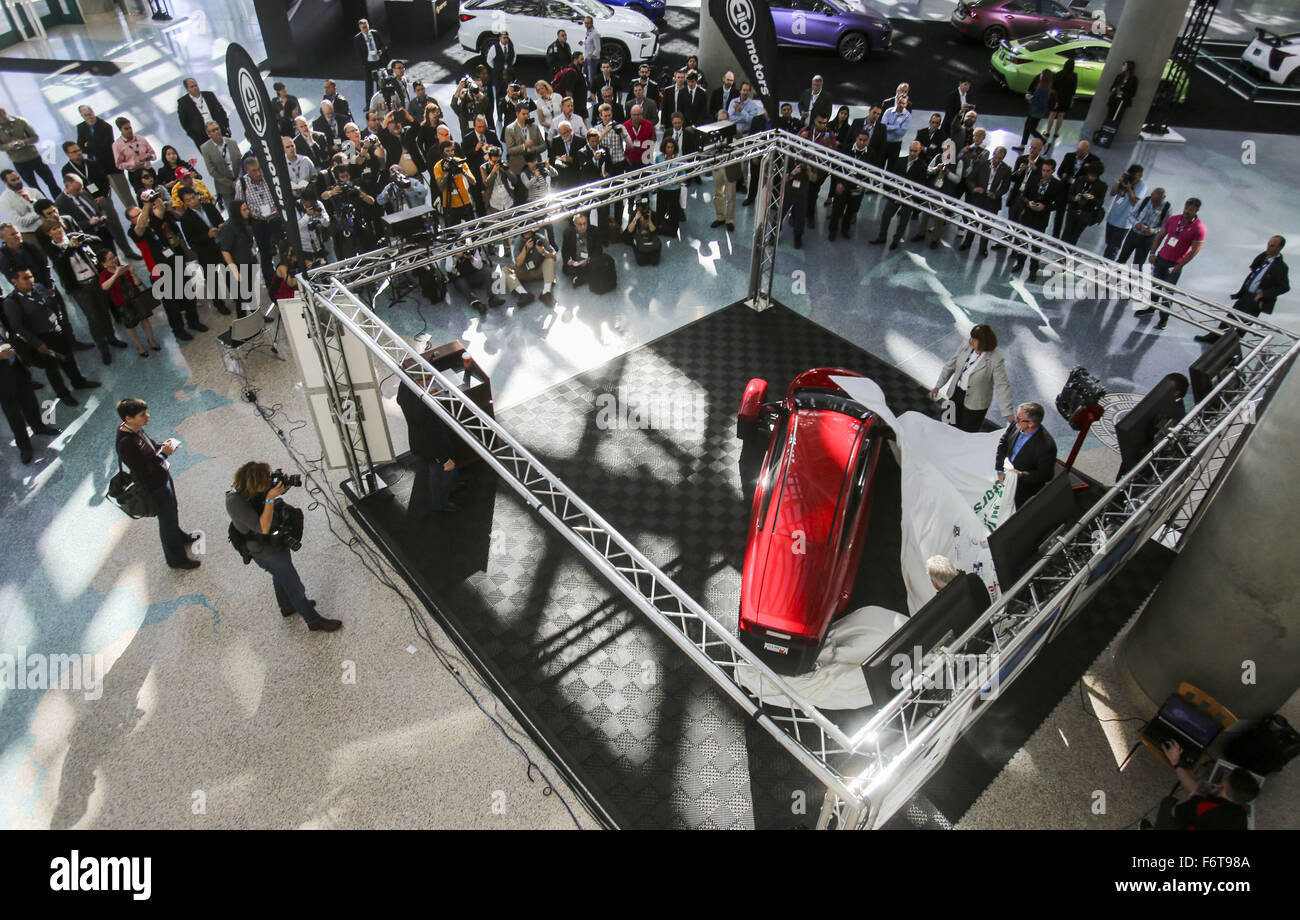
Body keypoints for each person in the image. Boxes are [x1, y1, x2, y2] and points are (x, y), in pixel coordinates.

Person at [228, 460, 341, 630]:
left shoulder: (247, 489)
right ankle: (313, 620)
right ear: (254, 484)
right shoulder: (234, 502)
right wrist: (271, 498)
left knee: (280, 575)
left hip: (275, 542)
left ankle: (286, 606)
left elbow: (262, 500)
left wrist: (278, 490)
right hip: (265, 550)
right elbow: (263, 528)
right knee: (294, 585)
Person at [115, 397, 200, 570]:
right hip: (154, 486)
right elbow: (141, 469)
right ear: (128, 418)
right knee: (167, 521)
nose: (147, 416)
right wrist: (163, 455)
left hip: (162, 477)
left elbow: (149, 445)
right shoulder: (126, 443)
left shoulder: (135, 429)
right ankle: (176, 559)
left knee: (172, 512)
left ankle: (180, 537)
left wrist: (162, 446)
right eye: (142, 415)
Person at [3, 267, 101, 404]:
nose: (30, 280)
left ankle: (78, 381)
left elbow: (54, 305)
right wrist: (37, 343)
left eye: (31, 276)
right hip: (42, 338)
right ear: (14, 281)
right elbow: (18, 328)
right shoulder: (12, 302)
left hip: (56, 331)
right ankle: (63, 393)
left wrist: (60, 322)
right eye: (25, 278)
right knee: (52, 369)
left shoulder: (38, 287)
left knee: (68, 358)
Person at [40, 220, 125, 365]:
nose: (58, 231)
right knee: (93, 317)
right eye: (53, 229)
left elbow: (96, 239)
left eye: (58, 227)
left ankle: (112, 337)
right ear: (49, 233)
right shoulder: (50, 249)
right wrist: (69, 248)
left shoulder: (73, 236)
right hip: (79, 287)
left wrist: (83, 238)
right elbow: (61, 263)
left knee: (104, 310)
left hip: (94, 278)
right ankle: (103, 348)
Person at [132, 194, 206, 335]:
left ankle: (194, 322)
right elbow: (140, 226)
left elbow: (160, 209)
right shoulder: (135, 231)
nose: (141, 216)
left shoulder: (153, 221)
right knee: (171, 304)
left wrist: (156, 196)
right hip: (160, 271)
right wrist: (146, 206)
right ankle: (178, 330)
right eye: (136, 215)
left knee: (188, 295)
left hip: (174, 261)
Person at [1197, 236, 1289, 344]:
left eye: (1272, 246)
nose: (1268, 247)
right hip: (1246, 294)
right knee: (1231, 316)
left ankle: (1229, 345)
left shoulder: (1281, 267)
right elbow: (1254, 266)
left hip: (1256, 299)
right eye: (1268, 244)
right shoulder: (1264, 257)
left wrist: (1264, 293)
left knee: (1243, 324)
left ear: (1280, 248)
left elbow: (1284, 287)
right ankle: (1215, 336)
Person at [1147, 740, 1258, 830]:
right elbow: (1199, 793)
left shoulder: (1201, 806)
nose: (1218, 783)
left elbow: (1175, 811)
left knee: (1168, 803)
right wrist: (1176, 764)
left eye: (1224, 780)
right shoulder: (1241, 814)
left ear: (1224, 786)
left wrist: (1194, 795)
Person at [931, 324, 1015, 433]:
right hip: (957, 394)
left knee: (967, 433)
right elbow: (951, 365)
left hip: (976, 403)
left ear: (983, 342)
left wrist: (1007, 412)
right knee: (948, 425)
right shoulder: (967, 345)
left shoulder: (995, 359)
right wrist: (938, 386)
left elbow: (1002, 386)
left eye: (974, 340)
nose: (971, 341)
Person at [1137, 197, 1206, 329]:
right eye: (1186, 208)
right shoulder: (1174, 219)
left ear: (1196, 210)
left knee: (1168, 293)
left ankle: (1164, 319)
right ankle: (1151, 308)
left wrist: (1180, 266)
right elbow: (1160, 236)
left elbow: (1194, 250)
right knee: (1155, 285)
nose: (1187, 211)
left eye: (1191, 210)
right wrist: (1152, 253)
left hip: (1175, 264)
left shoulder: (1199, 228)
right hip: (1162, 258)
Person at [396, 381, 463, 515]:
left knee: (444, 469)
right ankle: (440, 504)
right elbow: (431, 434)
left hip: (423, 442)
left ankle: (453, 485)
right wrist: (443, 458)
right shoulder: (423, 412)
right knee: (440, 473)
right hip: (434, 446)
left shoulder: (405, 391)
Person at [0, 321, 60, 463]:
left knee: (30, 401)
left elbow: (11, 339)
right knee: (13, 414)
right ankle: (24, 447)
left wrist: (24, 363)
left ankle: (38, 426)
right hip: (2, 380)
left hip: (16, 369)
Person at [98, 249, 161, 357]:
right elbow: (104, 287)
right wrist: (116, 274)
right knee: (130, 326)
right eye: (110, 259)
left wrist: (133, 274)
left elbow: (137, 283)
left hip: (135, 298)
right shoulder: (104, 275)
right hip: (122, 304)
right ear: (104, 264)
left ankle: (151, 340)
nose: (114, 260)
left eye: (114, 257)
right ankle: (139, 346)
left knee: (144, 319)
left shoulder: (124, 268)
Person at [995, 402, 1057, 509]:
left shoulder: (1046, 446)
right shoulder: (1017, 424)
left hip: (1021, 491)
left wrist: (1020, 474)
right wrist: (999, 469)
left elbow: (1046, 475)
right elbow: (1003, 443)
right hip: (1004, 478)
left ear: (1031, 424)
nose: (1015, 420)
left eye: (1019, 419)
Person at [1009, 159, 1063, 282]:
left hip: (1041, 219)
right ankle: (1020, 263)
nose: (1045, 173)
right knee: (1022, 241)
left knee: (1036, 247)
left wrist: (1045, 207)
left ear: (1053, 171)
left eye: (1048, 171)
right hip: (1027, 216)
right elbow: (1023, 196)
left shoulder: (1057, 185)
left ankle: (1033, 270)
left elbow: (1058, 204)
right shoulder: (1033, 179)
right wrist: (1029, 203)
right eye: (1043, 170)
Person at [869, 141, 929, 249]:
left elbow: (920, 187)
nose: (912, 153)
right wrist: (895, 195)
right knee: (886, 216)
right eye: (911, 150)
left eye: (915, 151)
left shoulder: (922, 166)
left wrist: (905, 198)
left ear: (920, 150)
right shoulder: (900, 161)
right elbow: (892, 178)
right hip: (895, 195)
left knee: (903, 221)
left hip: (909, 199)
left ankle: (896, 240)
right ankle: (882, 236)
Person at [76, 106, 133, 210]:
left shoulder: (105, 126)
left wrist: (88, 145)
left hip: (111, 167)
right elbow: (80, 147)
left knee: (126, 197)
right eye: (86, 115)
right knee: (100, 199)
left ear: (93, 112)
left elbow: (105, 147)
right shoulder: (81, 127)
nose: (89, 117)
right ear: (82, 116)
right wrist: (90, 146)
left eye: (90, 113)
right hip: (94, 171)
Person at [960, 145, 1012, 256]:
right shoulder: (981, 164)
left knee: (987, 226)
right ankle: (967, 242)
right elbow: (970, 179)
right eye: (996, 157)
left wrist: (997, 194)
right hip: (978, 198)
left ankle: (983, 248)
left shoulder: (1006, 170)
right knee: (973, 222)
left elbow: (1005, 187)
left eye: (1000, 159)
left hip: (992, 202)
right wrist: (975, 188)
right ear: (993, 154)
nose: (997, 160)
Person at [0, 107, 61, 200]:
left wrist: (24, 142)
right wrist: (9, 146)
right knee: (33, 188)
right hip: (19, 161)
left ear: (5, 113)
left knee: (51, 182)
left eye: (2, 115)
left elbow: (35, 137)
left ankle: (62, 203)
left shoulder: (20, 121)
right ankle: (46, 207)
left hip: (34, 157)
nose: (2, 118)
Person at [216, 201, 260, 315]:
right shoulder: (228, 227)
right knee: (240, 299)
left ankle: (257, 316)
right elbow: (225, 251)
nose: (247, 211)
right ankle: (244, 323)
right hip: (237, 268)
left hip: (248, 263)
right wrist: (235, 271)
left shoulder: (244, 223)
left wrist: (254, 259)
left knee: (250, 292)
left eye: (247, 208)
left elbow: (249, 244)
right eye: (244, 209)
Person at [1100, 164, 1147, 261]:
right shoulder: (1126, 179)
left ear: (1140, 176)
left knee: (1113, 247)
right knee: (1109, 243)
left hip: (1124, 222)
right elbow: (1112, 193)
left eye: (1136, 176)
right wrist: (1119, 182)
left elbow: (1135, 202)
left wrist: (1129, 188)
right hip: (1112, 218)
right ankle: (1104, 263)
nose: (1134, 178)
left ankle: (1106, 267)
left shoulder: (1142, 186)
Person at [1117, 186, 1169, 267]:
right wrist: (1136, 224)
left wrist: (1151, 230)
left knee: (1137, 264)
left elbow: (1164, 228)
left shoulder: (1167, 208)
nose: (1154, 203)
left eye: (1157, 201)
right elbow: (1130, 215)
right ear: (1151, 195)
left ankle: (1132, 279)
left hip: (1148, 238)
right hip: (1134, 233)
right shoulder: (1144, 201)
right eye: (1153, 200)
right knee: (1121, 259)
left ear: (1163, 198)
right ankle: (1112, 279)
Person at [505, 228, 557, 308]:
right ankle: (524, 294)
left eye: (530, 235)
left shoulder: (540, 238)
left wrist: (544, 252)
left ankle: (546, 292)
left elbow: (554, 257)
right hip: (525, 272)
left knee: (549, 260)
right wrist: (525, 249)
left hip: (539, 270)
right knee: (506, 270)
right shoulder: (517, 242)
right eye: (525, 236)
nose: (528, 238)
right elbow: (518, 264)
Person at [176, 78, 230, 153]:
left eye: (196, 85)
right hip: (202, 137)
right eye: (192, 86)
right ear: (187, 89)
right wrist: (194, 136)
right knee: (214, 159)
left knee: (229, 152)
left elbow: (221, 110)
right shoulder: (183, 103)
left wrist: (225, 125)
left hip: (219, 130)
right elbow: (184, 122)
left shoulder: (209, 95)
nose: (195, 88)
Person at [443, 246, 502, 316]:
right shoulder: (450, 250)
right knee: (461, 283)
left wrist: (471, 258)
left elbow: (480, 266)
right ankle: (477, 304)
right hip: (461, 278)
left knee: (487, 272)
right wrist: (456, 257)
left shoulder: (472, 246)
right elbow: (448, 269)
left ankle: (492, 298)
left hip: (474, 274)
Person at [1060, 161, 1107, 245]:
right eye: (1090, 175)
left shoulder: (1102, 186)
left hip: (1085, 214)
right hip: (1073, 210)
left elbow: (1100, 203)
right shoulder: (1080, 179)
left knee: (1075, 236)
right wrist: (1075, 198)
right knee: (1066, 232)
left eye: (1094, 176)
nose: (1091, 177)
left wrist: (1093, 198)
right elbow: (1070, 194)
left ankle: (1068, 256)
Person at [432, 141, 478, 226]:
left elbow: (473, 182)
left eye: (452, 150)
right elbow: (441, 187)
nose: (450, 153)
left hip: (465, 201)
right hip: (449, 205)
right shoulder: (438, 166)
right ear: (442, 152)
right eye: (447, 151)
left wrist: (463, 171)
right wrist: (446, 172)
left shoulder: (460, 161)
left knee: (473, 229)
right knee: (453, 234)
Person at [710, 110, 741, 233]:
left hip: (730, 168)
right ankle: (720, 217)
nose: (722, 123)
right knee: (718, 194)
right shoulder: (712, 133)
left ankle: (730, 220)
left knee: (731, 196)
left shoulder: (736, 133)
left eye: (724, 120)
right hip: (717, 167)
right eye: (719, 120)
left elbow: (741, 151)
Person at [200, 122, 243, 212]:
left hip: (239, 183)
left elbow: (239, 161)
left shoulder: (232, 142)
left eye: (217, 129)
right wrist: (229, 183)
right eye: (213, 131)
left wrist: (238, 179)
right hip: (225, 187)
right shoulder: (205, 148)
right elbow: (212, 171)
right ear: (208, 134)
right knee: (234, 212)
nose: (216, 132)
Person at [561, 212, 606, 286]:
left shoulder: (594, 231)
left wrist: (588, 260)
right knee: (568, 269)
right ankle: (587, 277)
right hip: (575, 262)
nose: (583, 227)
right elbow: (565, 250)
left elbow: (598, 250)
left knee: (599, 263)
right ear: (574, 224)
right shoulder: (568, 232)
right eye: (580, 224)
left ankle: (580, 278)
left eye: (585, 223)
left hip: (589, 260)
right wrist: (569, 260)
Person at [1015, 70, 1053, 151]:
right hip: (1037, 111)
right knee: (1027, 127)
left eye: (1042, 74)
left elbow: (1039, 102)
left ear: (1043, 76)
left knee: (1031, 129)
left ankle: (1045, 142)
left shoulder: (1042, 89)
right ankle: (1022, 144)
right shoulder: (1046, 88)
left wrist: (1030, 98)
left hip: (1035, 112)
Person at [652, 137, 685, 232]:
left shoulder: (679, 158)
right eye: (668, 147)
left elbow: (683, 172)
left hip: (675, 188)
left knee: (674, 210)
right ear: (664, 148)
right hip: (662, 187)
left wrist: (680, 179)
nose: (670, 149)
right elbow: (653, 170)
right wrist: (654, 179)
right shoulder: (659, 157)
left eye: (671, 147)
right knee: (660, 208)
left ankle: (673, 230)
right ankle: (659, 227)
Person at [503, 104, 545, 175]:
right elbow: (509, 150)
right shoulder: (510, 129)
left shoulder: (534, 127)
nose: (526, 116)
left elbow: (543, 145)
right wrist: (524, 146)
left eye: (527, 114)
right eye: (523, 114)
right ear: (517, 114)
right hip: (519, 168)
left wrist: (535, 149)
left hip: (535, 167)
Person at [1043, 58, 1077, 144]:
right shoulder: (1074, 76)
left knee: (1052, 114)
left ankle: (1047, 131)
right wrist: (1072, 100)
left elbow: (1053, 87)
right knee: (1061, 115)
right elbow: (1073, 89)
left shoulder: (1058, 74)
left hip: (1056, 97)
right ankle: (1056, 132)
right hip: (1067, 98)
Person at [354, 18, 387, 101]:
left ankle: (381, 100)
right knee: (369, 84)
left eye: (366, 27)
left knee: (380, 82)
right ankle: (369, 104)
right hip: (368, 63)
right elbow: (359, 53)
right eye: (363, 28)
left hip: (378, 61)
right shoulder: (358, 38)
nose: (365, 29)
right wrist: (364, 63)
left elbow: (383, 45)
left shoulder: (375, 33)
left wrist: (381, 51)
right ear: (360, 28)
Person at [623, 198, 661, 265]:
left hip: (650, 237)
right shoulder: (635, 215)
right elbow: (629, 231)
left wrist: (649, 220)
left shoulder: (653, 215)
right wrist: (636, 219)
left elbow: (655, 232)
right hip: (638, 238)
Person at [549, 120, 583, 190]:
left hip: (577, 178)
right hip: (562, 179)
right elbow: (551, 158)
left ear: (570, 130)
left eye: (564, 133)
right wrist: (557, 158)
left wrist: (571, 159)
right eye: (560, 134)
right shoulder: (556, 141)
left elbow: (583, 159)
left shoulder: (580, 141)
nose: (562, 136)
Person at [1106, 60, 1138, 125]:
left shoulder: (1134, 79)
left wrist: (1123, 93)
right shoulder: (1119, 76)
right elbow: (1112, 87)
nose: (1123, 67)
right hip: (1114, 99)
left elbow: (1133, 93)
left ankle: (1113, 129)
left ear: (1129, 67)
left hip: (1123, 101)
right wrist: (1114, 89)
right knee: (1109, 115)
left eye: (1124, 65)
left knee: (1118, 117)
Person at [581, 17, 602, 90]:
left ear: (592, 23)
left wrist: (592, 56)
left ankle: (593, 93)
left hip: (593, 59)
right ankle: (589, 89)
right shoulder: (588, 31)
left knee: (592, 77)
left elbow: (598, 49)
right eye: (585, 23)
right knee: (585, 73)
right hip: (587, 57)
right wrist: (583, 42)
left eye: (588, 23)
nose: (586, 24)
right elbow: (588, 40)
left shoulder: (595, 34)